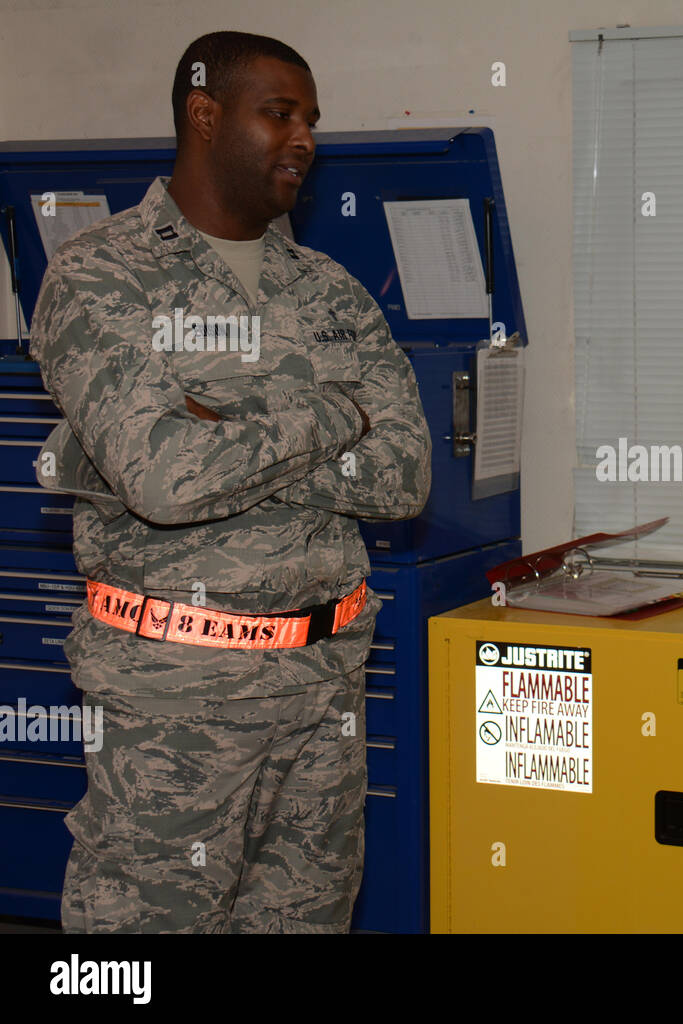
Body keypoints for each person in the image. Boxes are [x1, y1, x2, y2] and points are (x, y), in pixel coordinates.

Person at [29, 31, 432, 932]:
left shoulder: (330, 291)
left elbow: (405, 477)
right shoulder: (99, 278)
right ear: (204, 114)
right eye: (280, 113)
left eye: (312, 120)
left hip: (322, 694)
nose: (305, 139)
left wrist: (231, 431)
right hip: (176, 703)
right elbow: (165, 479)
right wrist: (336, 415)